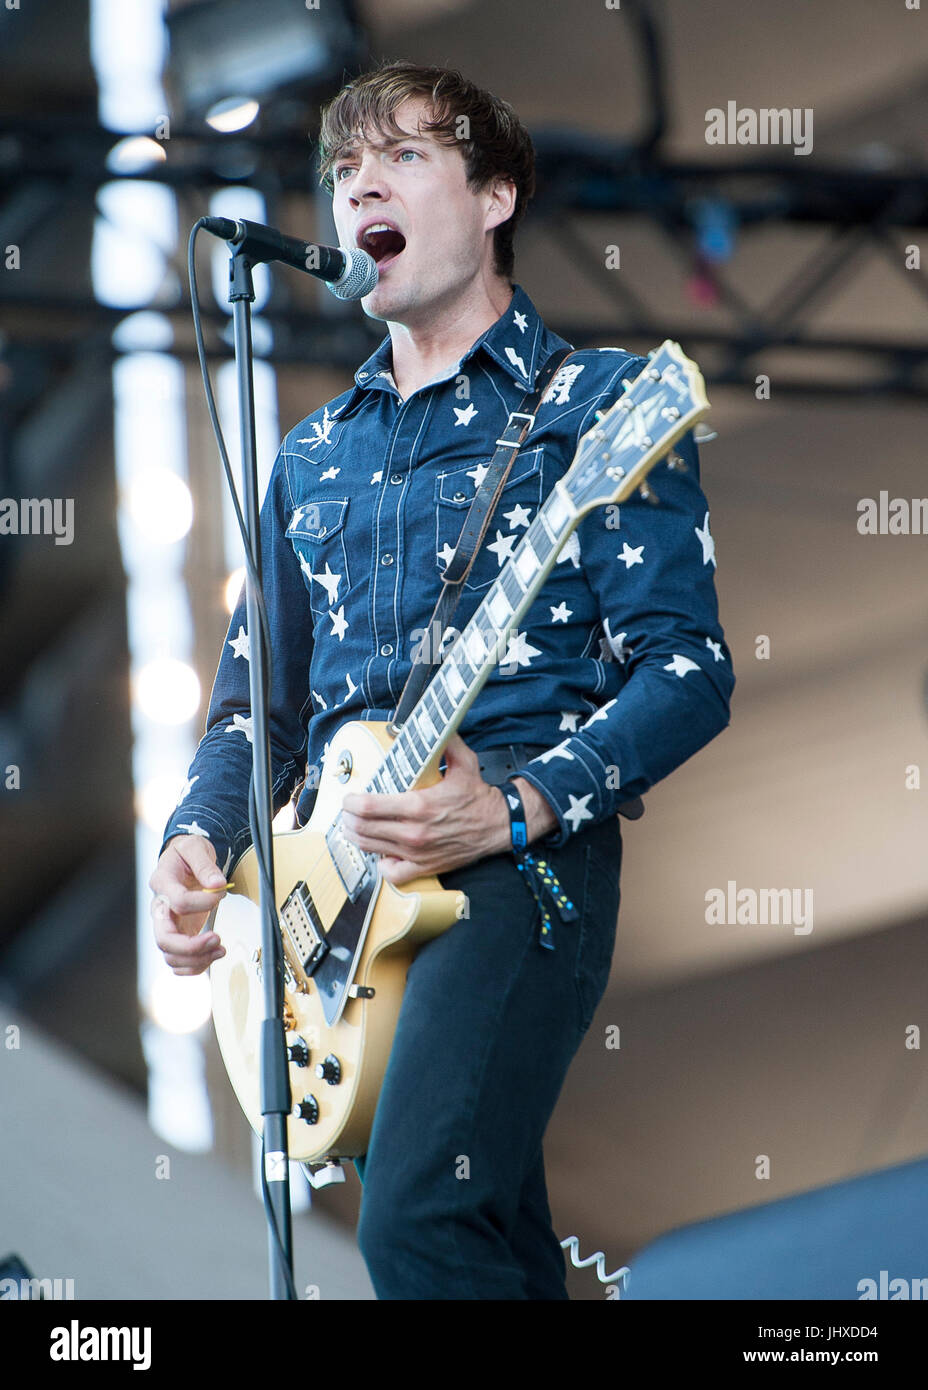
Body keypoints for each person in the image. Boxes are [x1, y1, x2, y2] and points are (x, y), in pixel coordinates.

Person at [149, 60, 734, 1299]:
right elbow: (258, 706)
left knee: (416, 1223)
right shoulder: (310, 456)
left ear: (495, 196)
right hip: (344, 907)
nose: (362, 183)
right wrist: (197, 835)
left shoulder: (595, 405)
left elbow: (688, 667)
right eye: (345, 170)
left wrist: (515, 804)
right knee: (491, 1247)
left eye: (404, 157)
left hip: (516, 871)